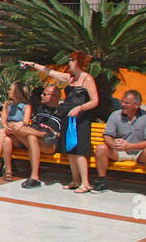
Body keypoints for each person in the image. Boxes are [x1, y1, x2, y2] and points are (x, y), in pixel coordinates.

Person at [24, 53, 100, 191]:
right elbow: (50, 72)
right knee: (70, 150)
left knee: (80, 150)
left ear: (78, 61)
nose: (69, 63)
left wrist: (80, 108)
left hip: (81, 119)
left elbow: (95, 101)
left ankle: (85, 182)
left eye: (71, 60)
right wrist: (33, 64)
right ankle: (75, 180)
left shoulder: (87, 79)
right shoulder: (70, 78)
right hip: (67, 118)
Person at [95, 90, 146, 199]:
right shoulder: (115, 115)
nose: (123, 105)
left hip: (140, 152)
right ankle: (102, 181)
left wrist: (129, 146)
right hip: (121, 151)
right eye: (122, 102)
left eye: (126, 103)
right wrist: (113, 144)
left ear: (136, 105)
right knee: (101, 148)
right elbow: (107, 135)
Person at [12, 82, 64, 189]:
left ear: (54, 97)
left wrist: (55, 133)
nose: (41, 96)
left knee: (30, 136)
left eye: (45, 94)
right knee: (18, 129)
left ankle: (34, 176)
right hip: (35, 137)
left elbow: (64, 133)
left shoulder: (62, 112)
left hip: (50, 142)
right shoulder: (39, 108)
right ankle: (34, 177)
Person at [0, 82, 31, 179]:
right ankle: (8, 170)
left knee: (2, 133)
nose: (8, 91)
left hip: (20, 137)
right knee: (6, 139)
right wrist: (6, 127)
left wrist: (17, 125)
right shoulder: (8, 105)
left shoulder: (26, 106)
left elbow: (26, 122)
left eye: (10, 89)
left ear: (17, 92)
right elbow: (3, 121)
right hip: (9, 135)